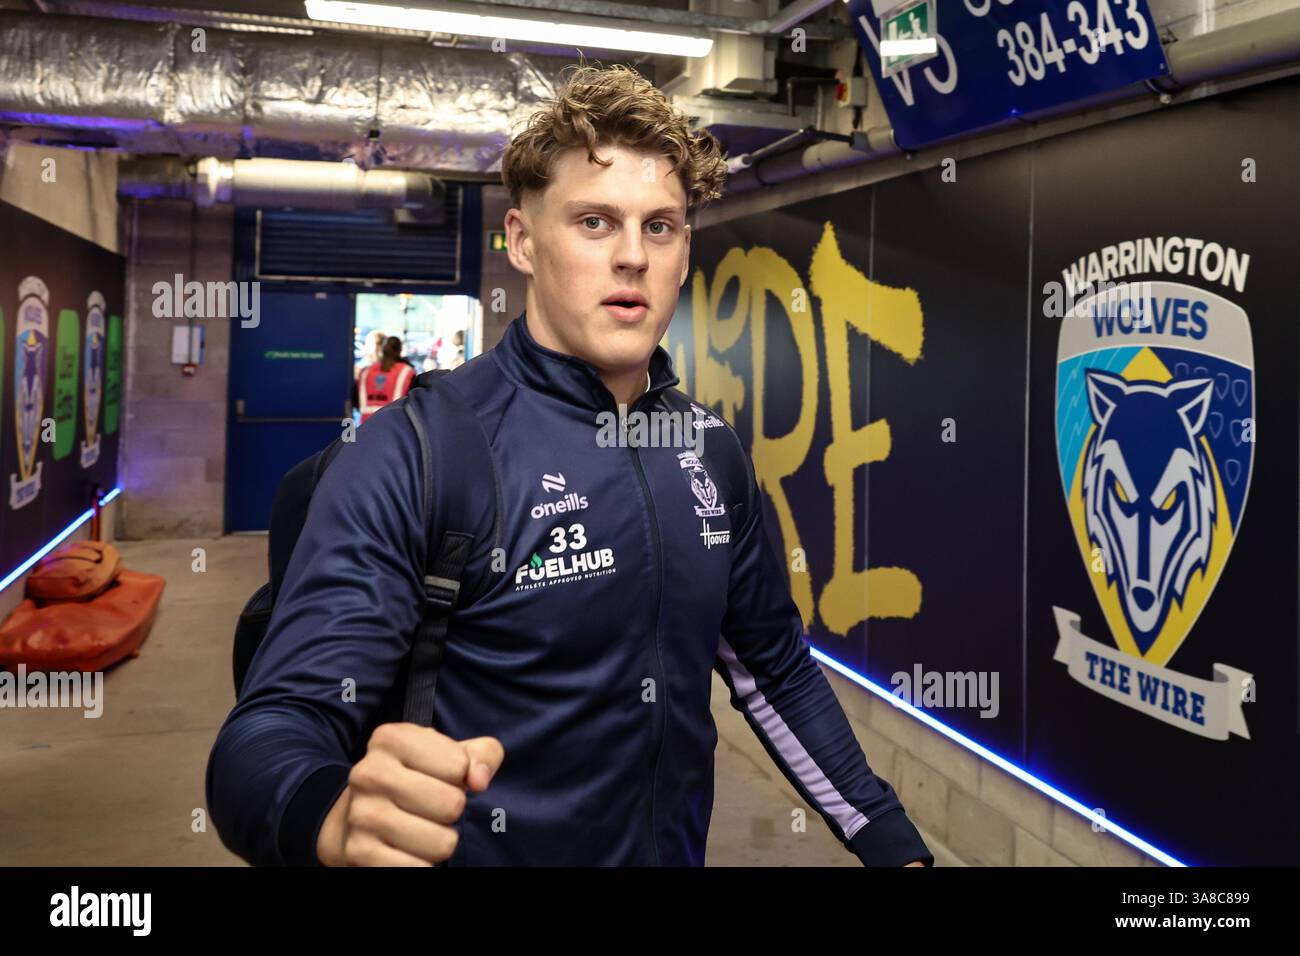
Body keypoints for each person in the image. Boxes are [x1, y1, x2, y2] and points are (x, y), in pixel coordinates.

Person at [207, 63, 932, 868]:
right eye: (594, 222)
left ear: (685, 247)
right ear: (521, 240)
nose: (632, 258)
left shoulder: (711, 455)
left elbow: (775, 673)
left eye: (660, 226)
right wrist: (329, 817)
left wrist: (889, 841)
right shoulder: (419, 452)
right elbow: (271, 730)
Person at [355, 336, 415, 424]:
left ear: (382, 350)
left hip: (366, 425)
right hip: (393, 424)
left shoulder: (366, 372)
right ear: (400, 350)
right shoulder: (407, 372)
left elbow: (356, 401)